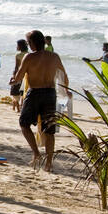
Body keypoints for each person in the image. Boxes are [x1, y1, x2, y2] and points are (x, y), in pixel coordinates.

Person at [9, 29, 69, 171]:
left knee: (24, 123)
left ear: (32, 43)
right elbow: (64, 77)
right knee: (49, 130)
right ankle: (49, 163)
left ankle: (36, 153)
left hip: (34, 93)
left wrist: (12, 82)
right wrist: (65, 91)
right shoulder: (54, 57)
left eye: (29, 42)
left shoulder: (29, 57)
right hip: (50, 93)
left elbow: (18, 78)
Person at [10, 38, 28, 113]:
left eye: (17, 46)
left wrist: (14, 76)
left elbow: (16, 67)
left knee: (16, 91)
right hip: (26, 75)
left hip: (19, 74)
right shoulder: (29, 54)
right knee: (23, 91)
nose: (16, 47)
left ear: (20, 47)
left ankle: (17, 108)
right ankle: (21, 106)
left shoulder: (18, 55)